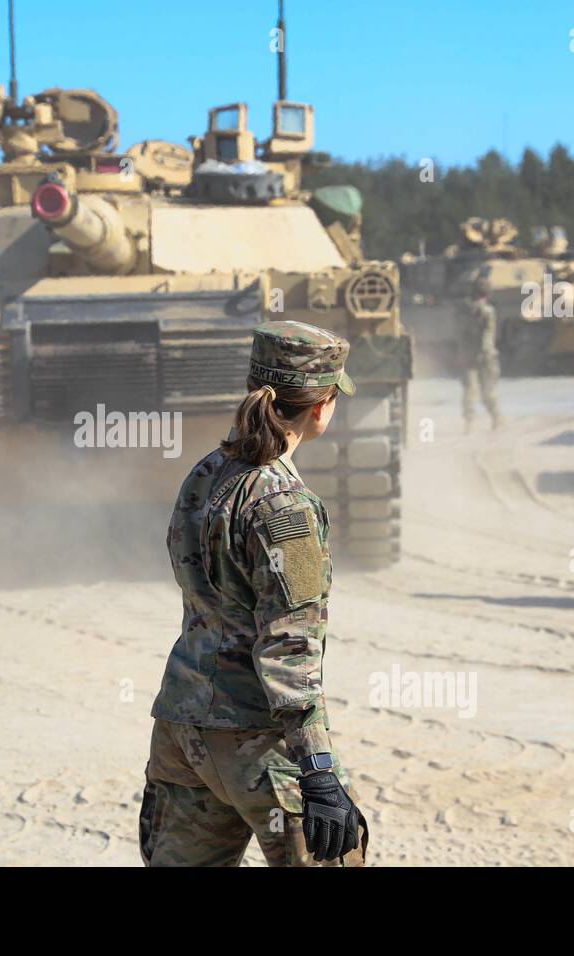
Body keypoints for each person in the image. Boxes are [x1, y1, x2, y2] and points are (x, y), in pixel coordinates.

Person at [139, 320, 368, 868]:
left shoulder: (206, 473)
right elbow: (290, 649)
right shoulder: (286, 506)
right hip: (255, 741)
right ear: (322, 405)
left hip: (183, 728)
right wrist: (318, 771)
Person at [457, 275, 502, 432]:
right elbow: (487, 335)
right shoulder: (488, 311)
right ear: (488, 294)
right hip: (486, 355)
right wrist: (484, 351)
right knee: (488, 391)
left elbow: (460, 333)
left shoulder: (464, 310)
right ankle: (496, 418)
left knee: (469, 390)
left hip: (468, 354)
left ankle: (469, 423)